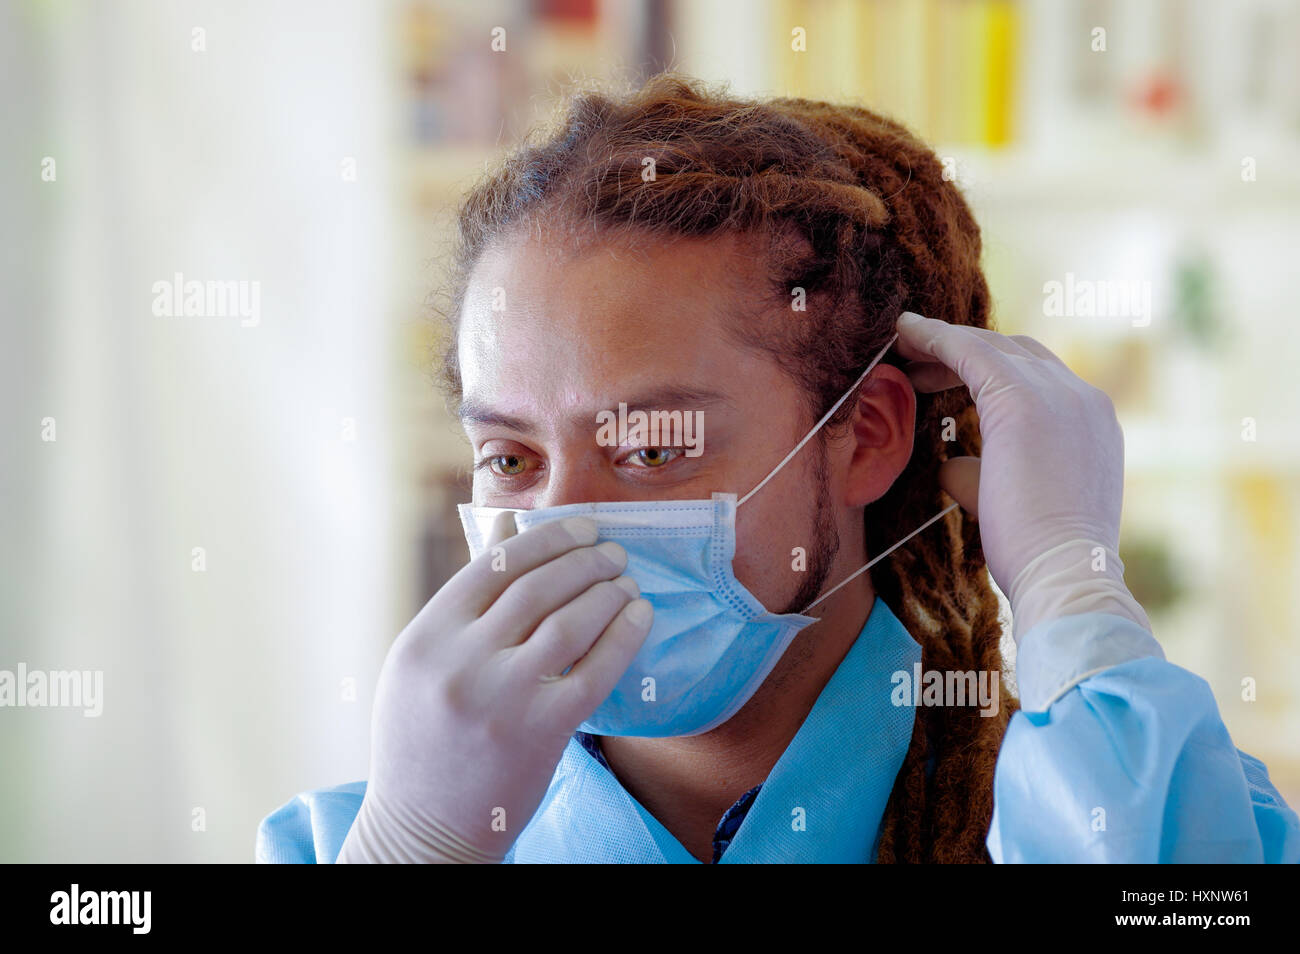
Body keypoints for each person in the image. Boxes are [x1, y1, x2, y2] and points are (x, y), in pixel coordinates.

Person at [256, 73, 1299, 864]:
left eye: (653, 445)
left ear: (867, 434)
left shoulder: (1145, 814)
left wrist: (1072, 587)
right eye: (510, 457)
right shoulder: (349, 844)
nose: (559, 520)